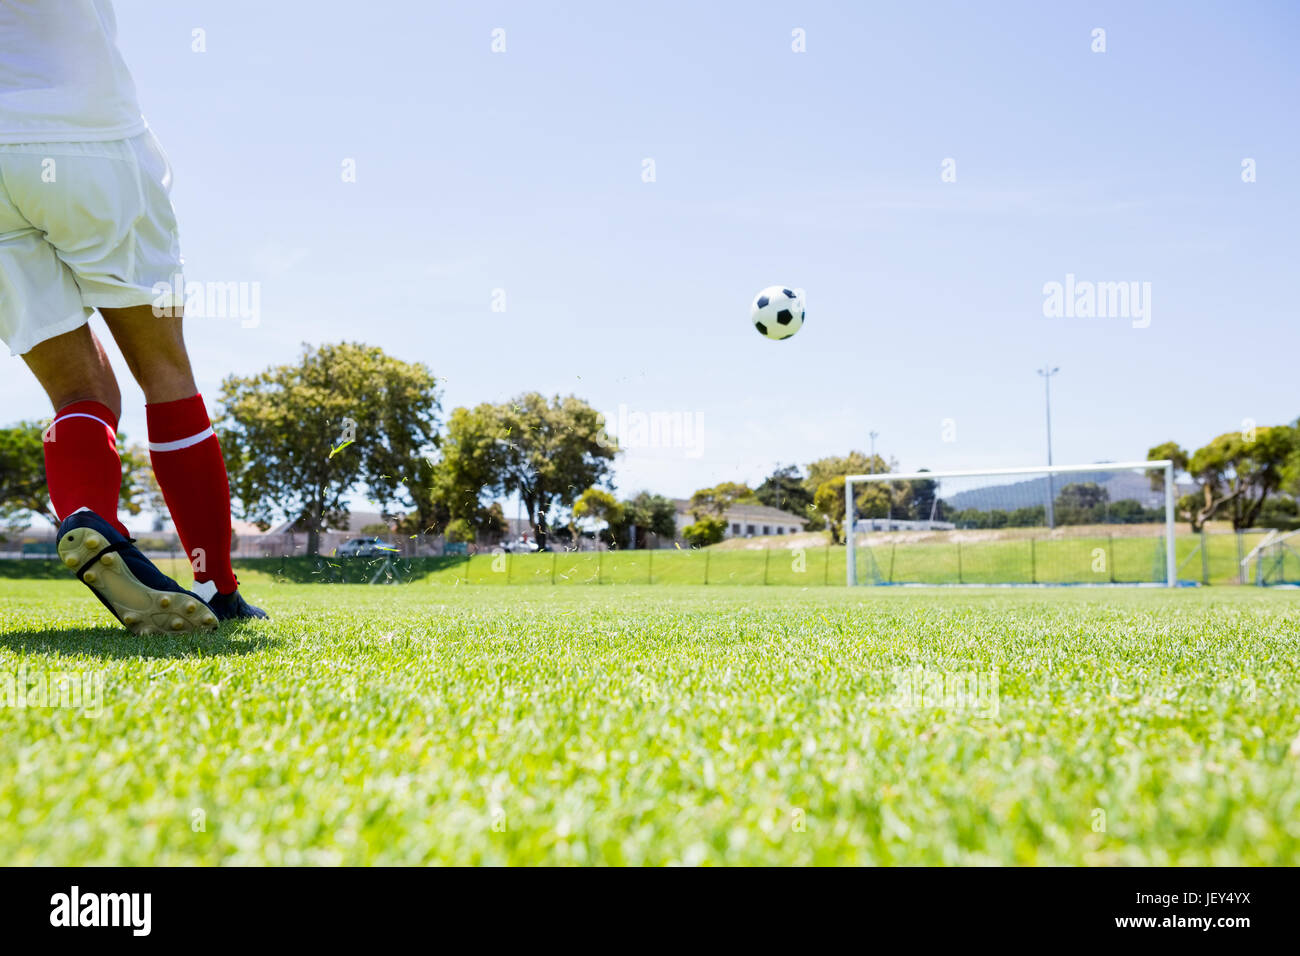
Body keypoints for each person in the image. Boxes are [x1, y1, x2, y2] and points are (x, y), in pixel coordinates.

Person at [0, 0, 265, 631]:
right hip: (86, 139)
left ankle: (91, 518)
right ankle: (218, 587)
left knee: (79, 393)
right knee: (165, 372)